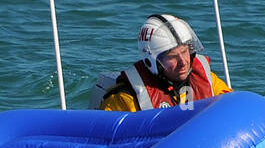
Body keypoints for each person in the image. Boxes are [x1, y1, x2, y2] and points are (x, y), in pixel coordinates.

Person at [93, 14, 230, 111]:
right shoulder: (126, 99)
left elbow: (233, 107)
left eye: (184, 52)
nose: (183, 62)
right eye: (172, 57)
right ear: (152, 61)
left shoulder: (208, 80)